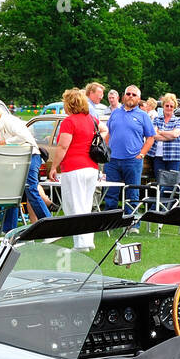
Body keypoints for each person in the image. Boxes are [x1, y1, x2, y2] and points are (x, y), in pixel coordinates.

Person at [46, 88, 100, 251]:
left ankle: (81, 243)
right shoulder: (92, 120)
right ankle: (88, 240)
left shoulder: (69, 122)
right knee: (85, 204)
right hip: (91, 167)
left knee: (74, 205)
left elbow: (63, 146)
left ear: (69, 104)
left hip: (74, 167)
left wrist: (53, 166)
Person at [0, 99, 50, 233]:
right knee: (13, 192)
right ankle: (9, 229)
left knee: (31, 190)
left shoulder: (8, 121)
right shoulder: (4, 123)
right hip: (22, 157)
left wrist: (5, 142)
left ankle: (49, 224)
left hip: (31, 156)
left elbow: (23, 137)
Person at [102, 85, 155, 223]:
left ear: (138, 99)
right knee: (110, 193)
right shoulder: (115, 113)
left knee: (132, 192)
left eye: (134, 95)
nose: (131, 96)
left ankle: (132, 223)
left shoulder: (143, 115)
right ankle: (110, 222)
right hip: (112, 160)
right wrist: (105, 151)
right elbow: (109, 133)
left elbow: (151, 137)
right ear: (124, 96)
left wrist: (142, 154)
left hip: (132, 160)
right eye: (128, 94)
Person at [150, 93, 180, 209]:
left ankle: (160, 206)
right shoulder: (156, 119)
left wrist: (161, 131)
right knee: (160, 182)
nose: (169, 108)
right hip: (158, 155)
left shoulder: (177, 120)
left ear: (174, 108)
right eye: (167, 106)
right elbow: (153, 135)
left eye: (171, 106)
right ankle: (160, 206)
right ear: (163, 106)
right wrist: (167, 134)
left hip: (174, 156)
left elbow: (175, 134)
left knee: (170, 183)